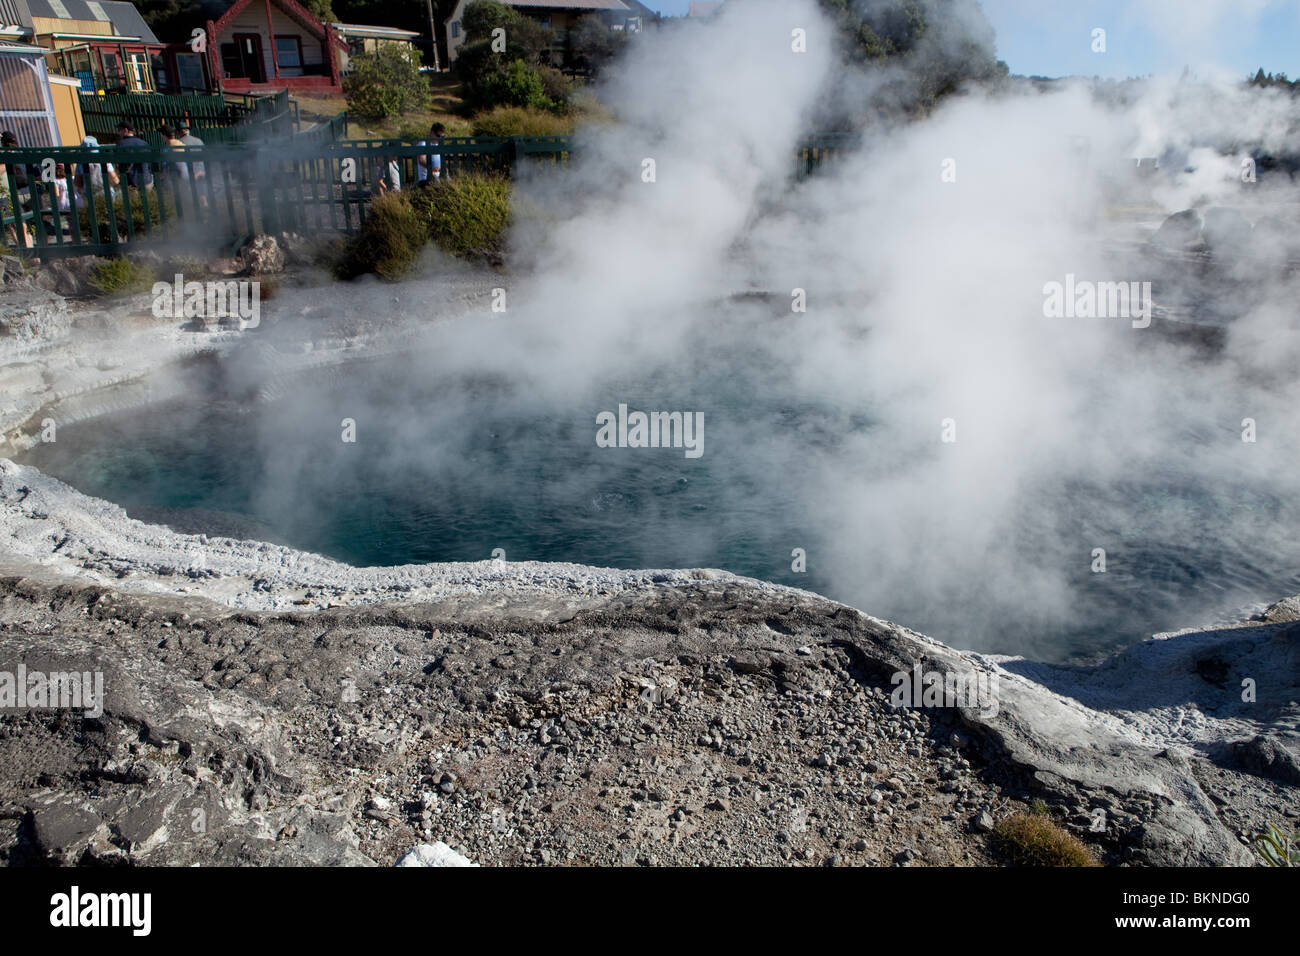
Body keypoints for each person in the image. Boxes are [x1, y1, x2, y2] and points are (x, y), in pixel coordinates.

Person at [74, 135, 119, 206]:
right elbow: (115, 180)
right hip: (106, 192)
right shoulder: (104, 160)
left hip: (89, 195)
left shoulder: (80, 163)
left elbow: (77, 183)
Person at [115, 120, 153, 189]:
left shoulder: (121, 144)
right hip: (147, 181)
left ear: (125, 130)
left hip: (131, 183)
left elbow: (119, 165)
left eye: (119, 130)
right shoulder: (144, 143)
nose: (118, 133)